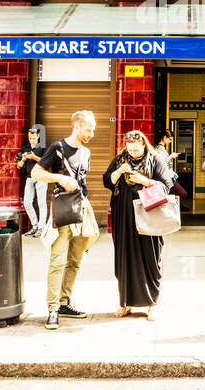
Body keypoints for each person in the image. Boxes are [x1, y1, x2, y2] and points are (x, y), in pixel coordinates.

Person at [32, 109, 98, 330]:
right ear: (77, 126)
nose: (92, 133)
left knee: (76, 261)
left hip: (81, 211)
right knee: (57, 260)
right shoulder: (58, 148)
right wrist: (59, 177)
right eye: (89, 129)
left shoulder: (86, 152)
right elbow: (36, 172)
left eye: (93, 129)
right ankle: (52, 309)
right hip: (61, 211)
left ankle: (64, 303)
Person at [105, 130, 176, 320]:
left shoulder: (154, 159)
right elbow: (107, 182)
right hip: (124, 216)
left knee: (151, 257)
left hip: (149, 216)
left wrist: (145, 181)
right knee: (124, 257)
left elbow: (167, 184)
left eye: (137, 149)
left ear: (144, 145)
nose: (134, 153)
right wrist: (119, 171)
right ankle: (126, 303)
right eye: (130, 149)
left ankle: (152, 304)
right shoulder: (120, 160)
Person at [15, 124, 47, 236]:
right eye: (30, 138)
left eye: (33, 138)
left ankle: (41, 228)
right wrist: (23, 159)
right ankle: (34, 226)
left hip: (41, 177)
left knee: (41, 203)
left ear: (38, 137)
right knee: (27, 203)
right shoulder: (25, 149)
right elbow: (18, 165)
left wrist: (34, 157)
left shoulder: (43, 148)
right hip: (29, 178)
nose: (32, 140)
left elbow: (46, 163)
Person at [154, 128, 188, 199]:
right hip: (166, 178)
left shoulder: (159, 148)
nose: (171, 141)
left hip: (167, 178)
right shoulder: (160, 149)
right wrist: (171, 157)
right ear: (164, 137)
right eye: (170, 139)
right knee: (183, 194)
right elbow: (161, 165)